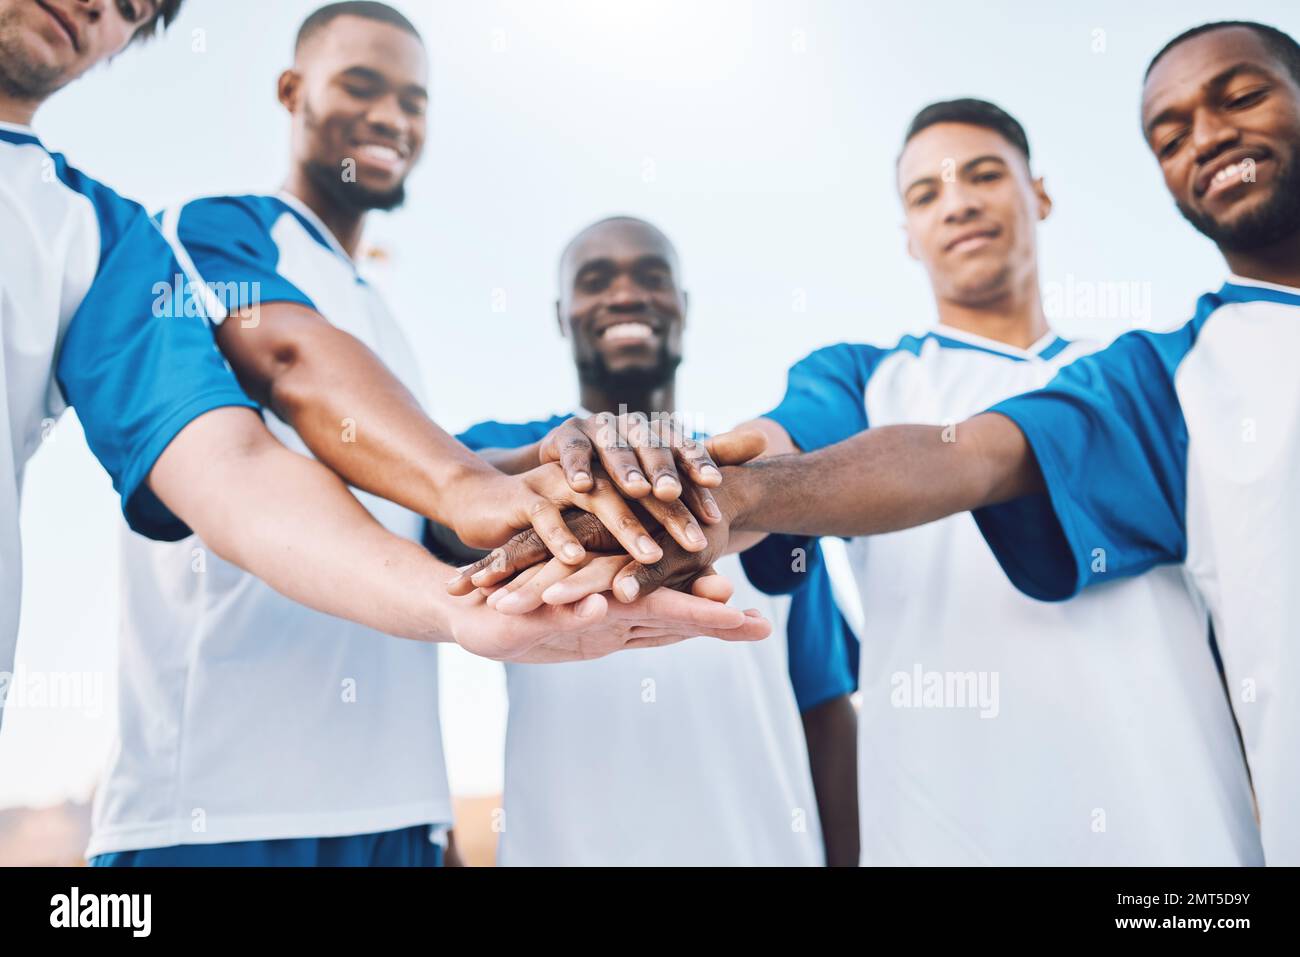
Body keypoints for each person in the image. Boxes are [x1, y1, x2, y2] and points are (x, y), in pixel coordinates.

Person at [477, 19, 1300, 865]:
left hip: (1182, 837)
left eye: (985, 175)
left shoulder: (1163, 376)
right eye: (927, 193)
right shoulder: (861, 379)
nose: (961, 203)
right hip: (948, 834)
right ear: (907, 232)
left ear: (1040, 194)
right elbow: (760, 459)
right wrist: (673, 494)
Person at [81, 4, 771, 867]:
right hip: (224, 813)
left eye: (414, 99)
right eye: (361, 85)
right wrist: (475, 483)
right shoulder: (217, 230)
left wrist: (567, 461)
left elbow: (420, 494)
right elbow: (295, 363)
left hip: (397, 813)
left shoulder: (380, 316)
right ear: (291, 92)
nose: (391, 118)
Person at [452, 216, 859, 865]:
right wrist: (537, 463)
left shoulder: (755, 482)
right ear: (563, 315)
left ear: (684, 307)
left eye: (651, 276)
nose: (625, 294)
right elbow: (447, 504)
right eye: (595, 280)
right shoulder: (504, 472)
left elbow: (826, 701)